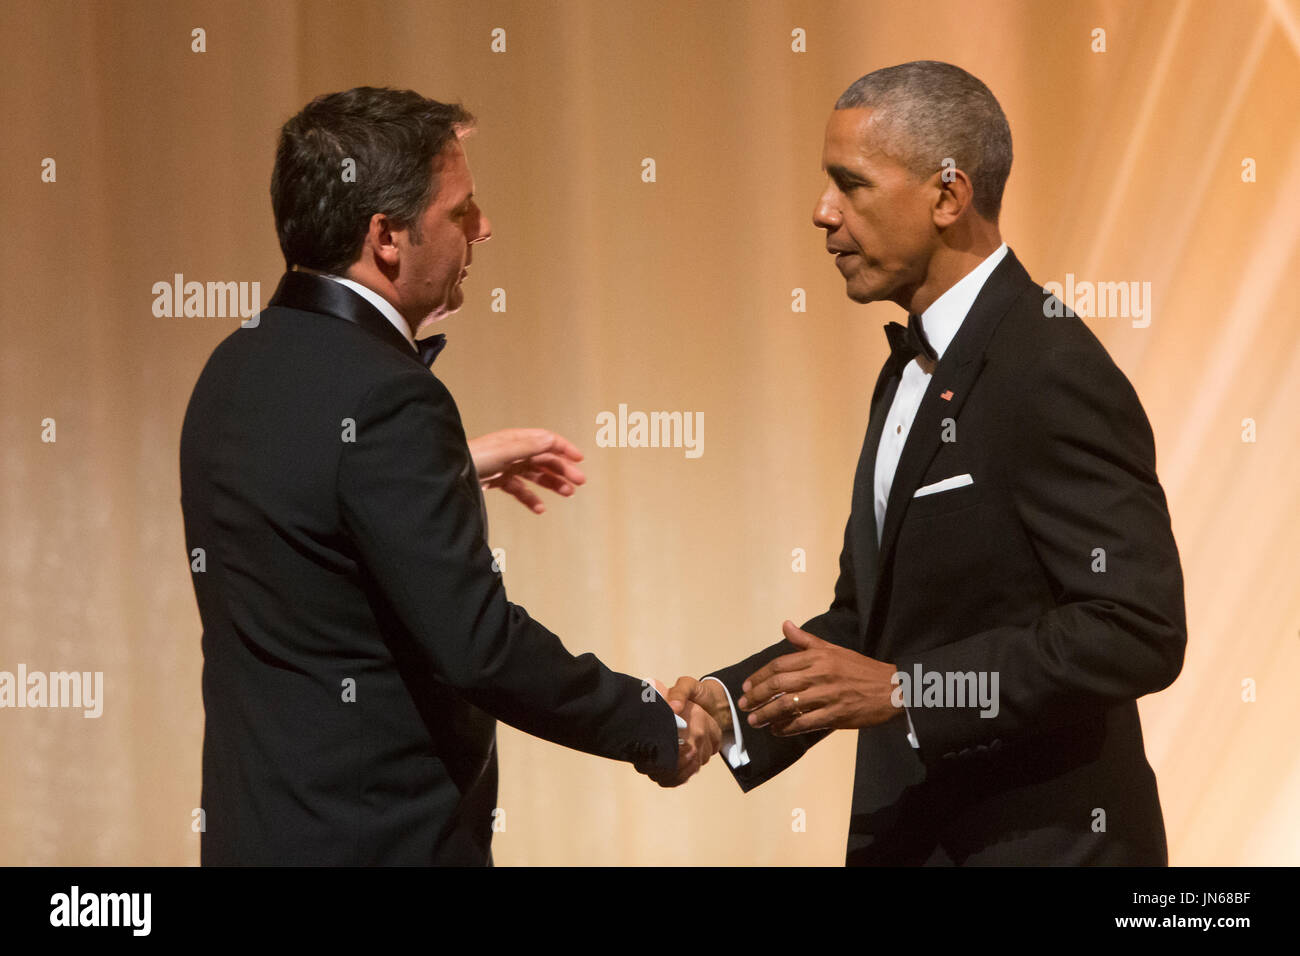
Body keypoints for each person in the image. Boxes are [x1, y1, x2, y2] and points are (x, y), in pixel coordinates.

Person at [180, 87, 720, 865]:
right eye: (462, 210)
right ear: (388, 236)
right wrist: (653, 725)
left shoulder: (235, 364)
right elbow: (479, 646)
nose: (485, 228)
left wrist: (449, 467)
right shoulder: (389, 395)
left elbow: (304, 514)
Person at [669, 61, 1186, 865]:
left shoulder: (1048, 364)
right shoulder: (911, 367)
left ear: (948, 195)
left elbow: (1135, 629)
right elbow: (870, 622)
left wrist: (911, 691)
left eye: (851, 184)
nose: (822, 213)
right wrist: (732, 702)